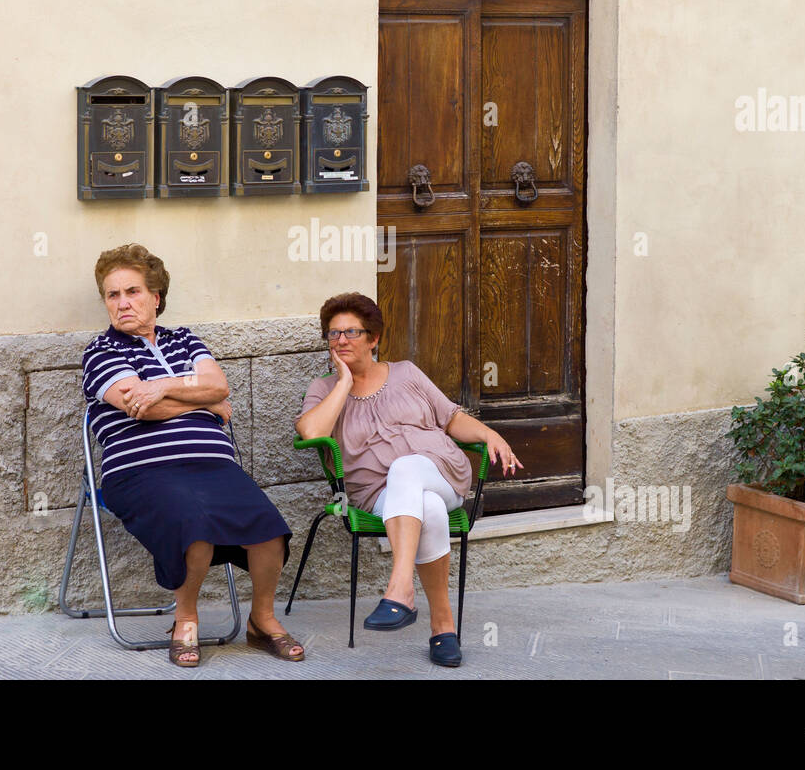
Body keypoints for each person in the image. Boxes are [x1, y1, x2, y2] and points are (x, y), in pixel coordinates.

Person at [82, 243, 304, 667]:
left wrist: (164, 385)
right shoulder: (102, 351)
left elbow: (218, 386)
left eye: (132, 291)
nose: (123, 303)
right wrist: (199, 402)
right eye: (113, 295)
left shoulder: (184, 340)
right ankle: (185, 619)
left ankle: (262, 619)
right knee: (194, 526)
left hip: (212, 466)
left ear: (156, 297)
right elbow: (142, 408)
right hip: (141, 472)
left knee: (269, 529)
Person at [295, 292, 522, 668]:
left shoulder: (406, 373)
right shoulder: (324, 390)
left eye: (352, 332)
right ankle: (442, 627)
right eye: (333, 335)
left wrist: (487, 434)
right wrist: (344, 383)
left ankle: (400, 590)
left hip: (440, 472)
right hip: (378, 493)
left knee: (407, 470)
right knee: (427, 509)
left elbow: (450, 418)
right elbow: (311, 431)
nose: (341, 341)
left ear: (374, 338)